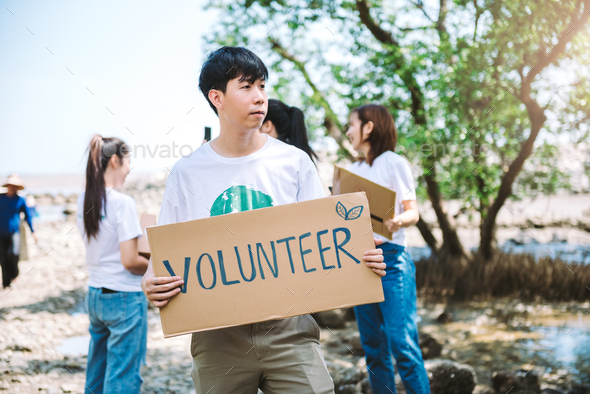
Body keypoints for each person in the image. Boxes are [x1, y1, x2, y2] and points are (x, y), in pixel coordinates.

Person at [141, 46, 387, 394]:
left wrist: (361, 256)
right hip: (217, 335)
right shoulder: (186, 173)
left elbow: (325, 241)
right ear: (217, 97)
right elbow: (165, 253)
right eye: (246, 87)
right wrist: (150, 282)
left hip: (289, 328)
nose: (259, 97)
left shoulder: (294, 162)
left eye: (262, 86)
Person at [345, 104, 430, 394]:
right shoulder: (353, 169)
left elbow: (413, 212)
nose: (347, 131)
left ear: (368, 127)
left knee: (401, 343)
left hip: (392, 260)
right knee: (372, 347)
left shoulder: (395, 162)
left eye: (351, 125)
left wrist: (396, 221)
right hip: (361, 262)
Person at [77, 135, 149, 394]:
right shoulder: (122, 203)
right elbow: (130, 261)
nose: (129, 168)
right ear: (116, 160)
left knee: (96, 374)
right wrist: (158, 266)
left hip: (95, 295)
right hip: (124, 298)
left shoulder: (84, 199)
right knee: (123, 378)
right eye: (129, 161)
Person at [0, 174, 37, 288]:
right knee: (3, 257)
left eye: (15, 186)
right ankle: (6, 282)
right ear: (8, 186)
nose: (12, 188)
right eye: (11, 185)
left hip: (14, 232)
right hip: (1, 233)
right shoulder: (1, 198)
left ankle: (15, 275)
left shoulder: (20, 200)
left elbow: (27, 216)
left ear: (17, 187)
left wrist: (33, 231)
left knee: (14, 253)